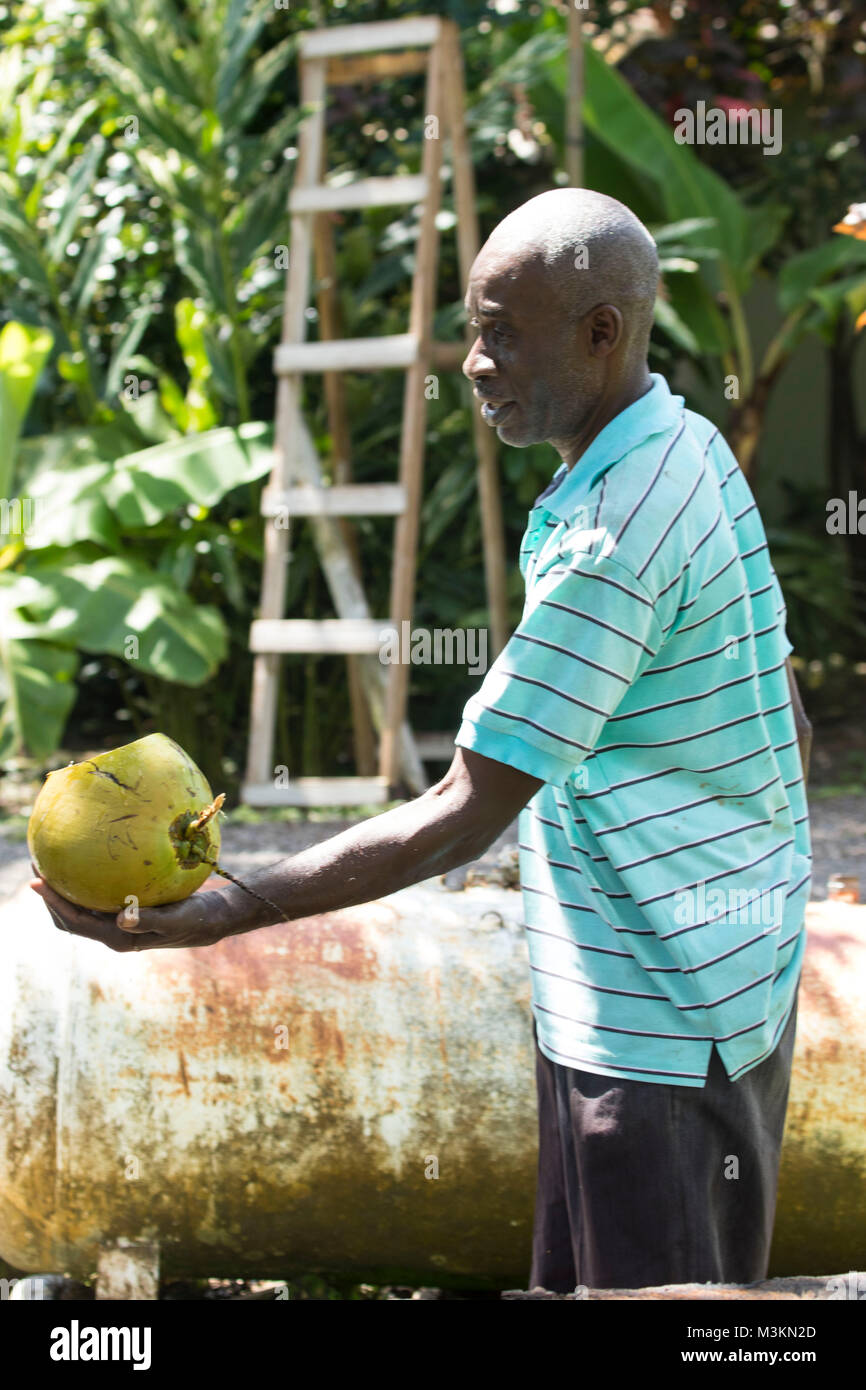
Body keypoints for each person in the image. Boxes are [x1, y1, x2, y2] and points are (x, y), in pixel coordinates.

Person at [32, 188, 813, 1293]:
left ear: (602, 331)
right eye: (471, 329)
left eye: (501, 333)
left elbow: (460, 809)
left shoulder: (608, 536)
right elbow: (774, 689)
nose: (475, 363)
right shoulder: (686, 449)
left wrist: (221, 914)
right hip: (715, 980)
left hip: (650, 1023)